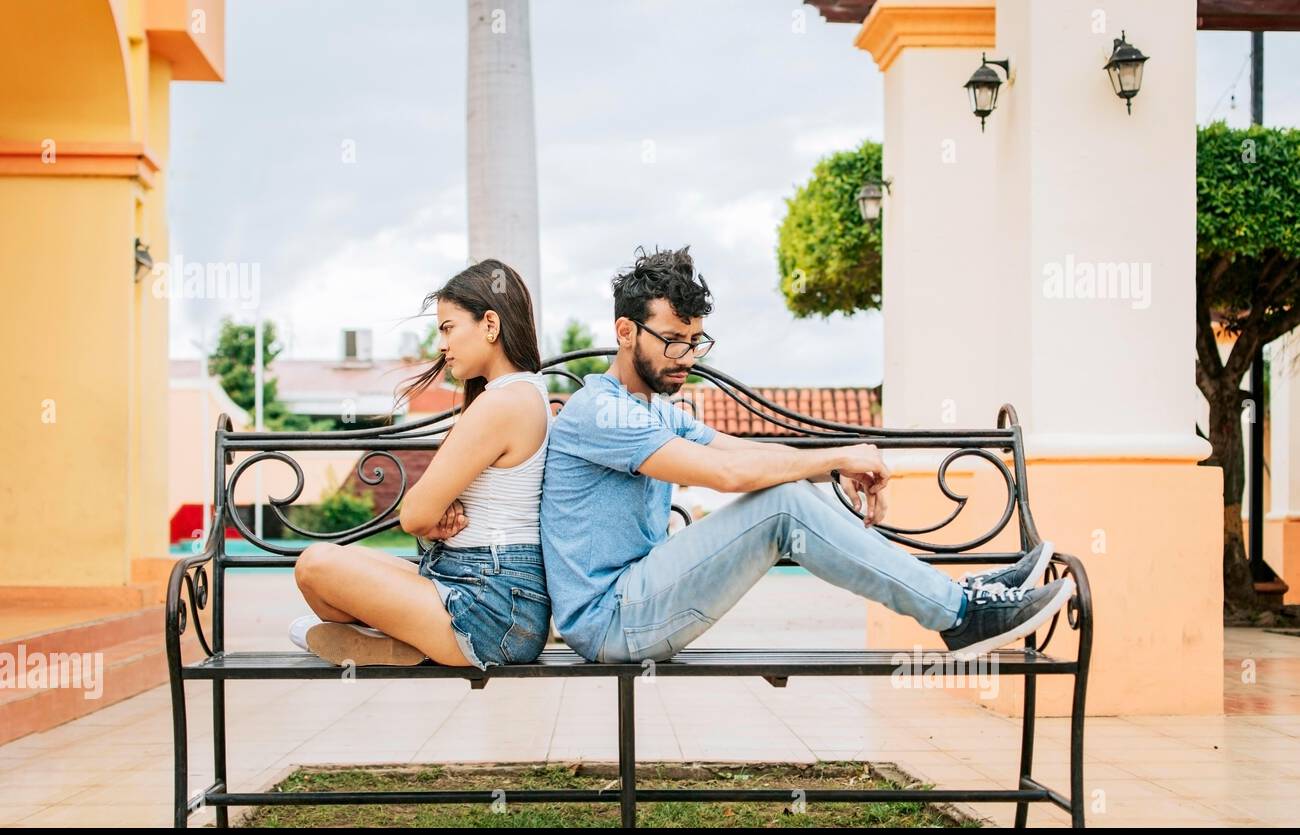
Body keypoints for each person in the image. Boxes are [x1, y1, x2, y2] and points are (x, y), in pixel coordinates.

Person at [540, 245, 1073, 665]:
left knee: (787, 494)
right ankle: (960, 614)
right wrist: (835, 460)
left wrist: (837, 457)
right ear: (625, 332)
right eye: (673, 340)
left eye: (696, 342)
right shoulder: (601, 412)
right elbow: (728, 474)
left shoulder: (655, 410)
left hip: (639, 598)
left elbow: (742, 451)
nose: (686, 357)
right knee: (784, 507)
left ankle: (961, 599)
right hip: (610, 619)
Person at [289, 259, 553, 670]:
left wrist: (428, 520)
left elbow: (413, 515)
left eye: (448, 327)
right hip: (482, 588)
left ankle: (395, 639)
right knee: (319, 566)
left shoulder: (502, 402)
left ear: (490, 324)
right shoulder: (525, 392)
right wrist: (432, 521)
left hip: (493, 611)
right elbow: (424, 515)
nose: (442, 345)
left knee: (315, 565)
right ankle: (395, 642)